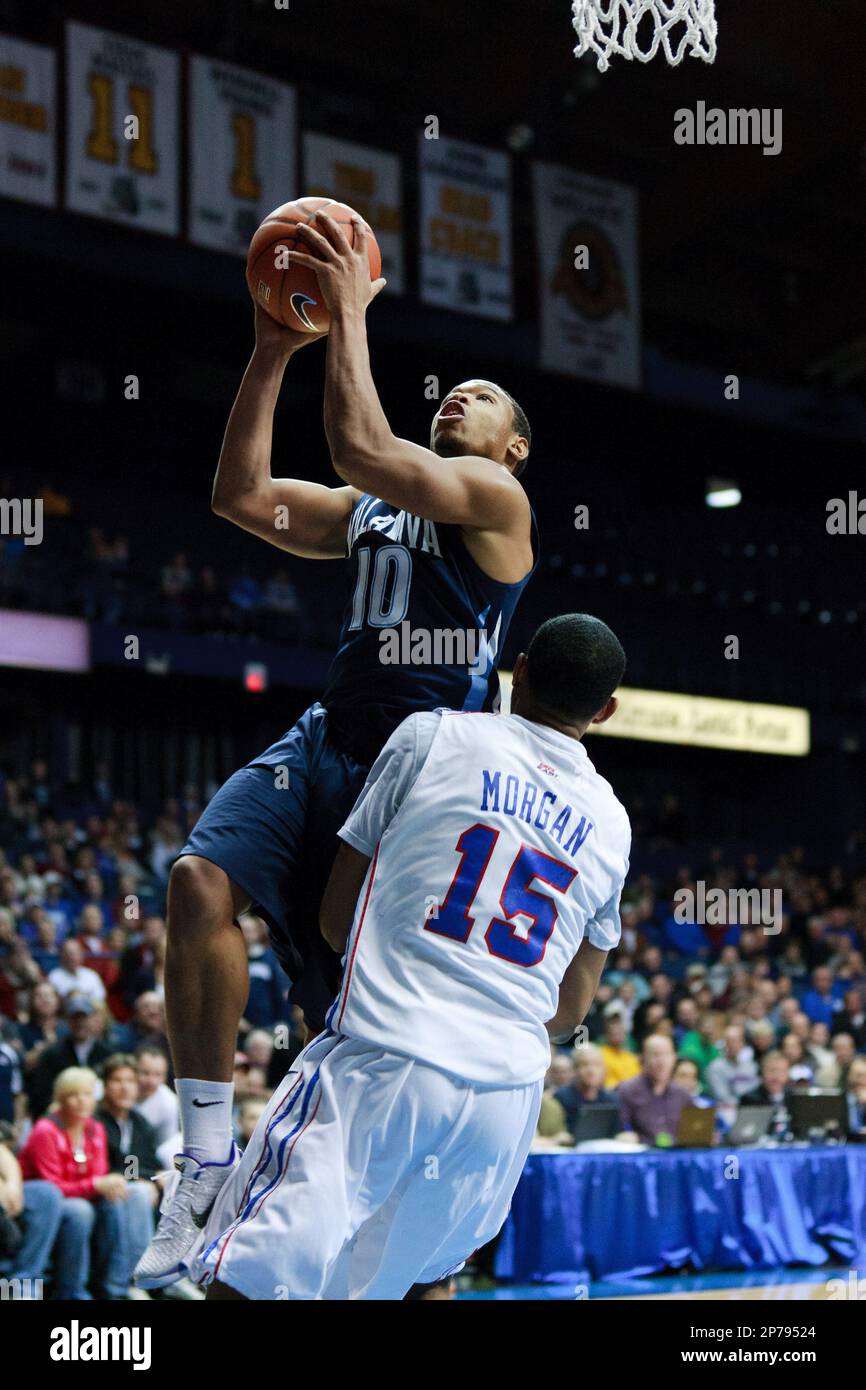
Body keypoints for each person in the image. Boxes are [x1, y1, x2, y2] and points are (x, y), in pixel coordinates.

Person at [140, 209, 537, 1284]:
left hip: (417, 783)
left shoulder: (497, 501)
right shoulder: (372, 507)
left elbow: (364, 441)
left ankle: (419, 1262)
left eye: (485, 398)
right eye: (451, 388)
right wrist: (271, 349)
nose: (459, 394)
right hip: (327, 735)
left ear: (513, 445)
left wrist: (350, 309)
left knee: (362, 1034)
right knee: (194, 880)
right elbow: (241, 495)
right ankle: (204, 1157)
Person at [169, 612, 633, 1300]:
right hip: (504, 1102)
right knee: (420, 1285)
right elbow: (567, 1011)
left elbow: (335, 921)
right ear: (608, 710)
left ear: (521, 667)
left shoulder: (430, 736)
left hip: (386, 1060)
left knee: (247, 1277)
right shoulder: (613, 822)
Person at [18, 1067, 133, 1299]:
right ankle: (71, 1290)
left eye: (87, 1094)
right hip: (40, 1200)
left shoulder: (95, 1128)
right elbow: (51, 1187)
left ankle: (114, 1286)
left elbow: (99, 1173)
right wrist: (95, 1185)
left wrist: (116, 1180)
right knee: (80, 1211)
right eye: (74, 1095)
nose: (82, 1101)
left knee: (120, 1199)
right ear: (60, 1099)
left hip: (75, 1196)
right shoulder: (45, 1130)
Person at [27, 995, 112, 1120]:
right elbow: (41, 1096)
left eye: (84, 1017)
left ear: (93, 1019)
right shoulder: (52, 1055)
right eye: (75, 1018)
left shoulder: (106, 1054)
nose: (80, 1023)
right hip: (61, 1120)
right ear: (67, 1021)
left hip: (99, 1121)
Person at [617, 1034, 692, 1146]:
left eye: (666, 1054)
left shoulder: (683, 1095)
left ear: (674, 1058)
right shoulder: (626, 1091)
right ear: (642, 1059)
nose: (661, 1061)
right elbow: (620, 1131)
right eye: (655, 1055)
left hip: (677, 1157)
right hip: (641, 1157)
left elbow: (695, 1131)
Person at [554, 1042, 619, 1137]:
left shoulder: (611, 1100)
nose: (591, 1070)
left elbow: (618, 1133)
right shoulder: (561, 1098)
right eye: (585, 1064)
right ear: (574, 1069)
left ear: (603, 1069)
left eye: (596, 1065)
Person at [705, 1023, 759, 1104]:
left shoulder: (751, 1066)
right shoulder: (714, 1068)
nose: (733, 1045)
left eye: (737, 1041)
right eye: (729, 1041)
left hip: (750, 1109)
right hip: (726, 1110)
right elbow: (722, 1096)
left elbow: (756, 1090)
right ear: (724, 1043)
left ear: (742, 1043)